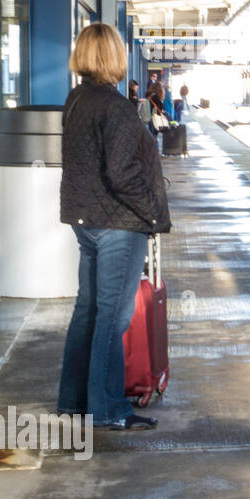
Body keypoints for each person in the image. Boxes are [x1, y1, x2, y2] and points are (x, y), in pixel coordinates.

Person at [57, 23, 170, 430]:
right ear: (115, 57)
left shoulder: (76, 99)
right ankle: (106, 408)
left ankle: (72, 401)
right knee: (112, 317)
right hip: (118, 223)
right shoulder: (117, 108)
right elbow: (122, 174)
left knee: (87, 311)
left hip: (84, 220)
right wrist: (153, 215)